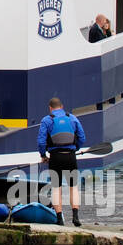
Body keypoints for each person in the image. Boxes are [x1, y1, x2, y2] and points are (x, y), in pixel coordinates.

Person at [37, 96, 86, 226]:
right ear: (62, 106)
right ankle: (75, 217)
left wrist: (43, 155)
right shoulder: (72, 118)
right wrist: (75, 149)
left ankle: (59, 218)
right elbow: (82, 137)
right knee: (73, 187)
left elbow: (41, 142)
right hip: (70, 156)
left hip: (55, 157)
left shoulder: (47, 120)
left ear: (50, 108)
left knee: (56, 188)